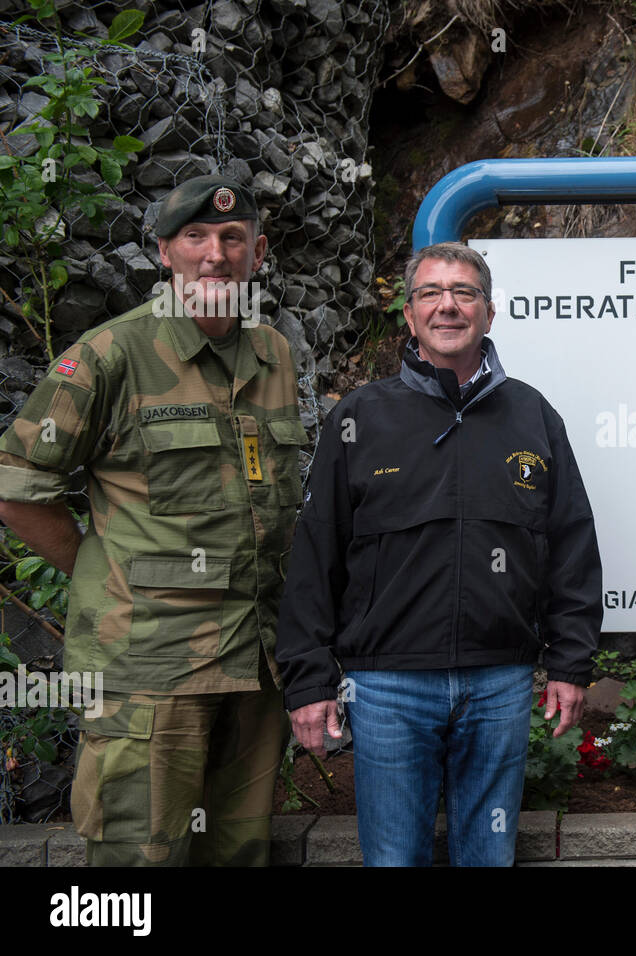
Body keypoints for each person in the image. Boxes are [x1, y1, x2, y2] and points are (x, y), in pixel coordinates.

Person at [0, 175, 304, 865]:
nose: (215, 255)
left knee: (239, 853)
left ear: (258, 253)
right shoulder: (111, 355)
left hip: (255, 665)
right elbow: (17, 488)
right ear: (165, 253)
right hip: (149, 669)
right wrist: (97, 571)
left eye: (233, 239)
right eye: (195, 237)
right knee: (139, 864)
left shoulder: (273, 355)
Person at [276, 241, 602, 867]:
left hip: (499, 682)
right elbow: (315, 556)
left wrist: (569, 665)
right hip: (386, 685)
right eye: (431, 293)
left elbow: (571, 546)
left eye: (464, 293)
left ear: (489, 312)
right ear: (409, 314)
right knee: (395, 859)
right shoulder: (359, 419)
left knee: (489, 855)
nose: (447, 306)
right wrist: (308, 680)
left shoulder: (533, 415)